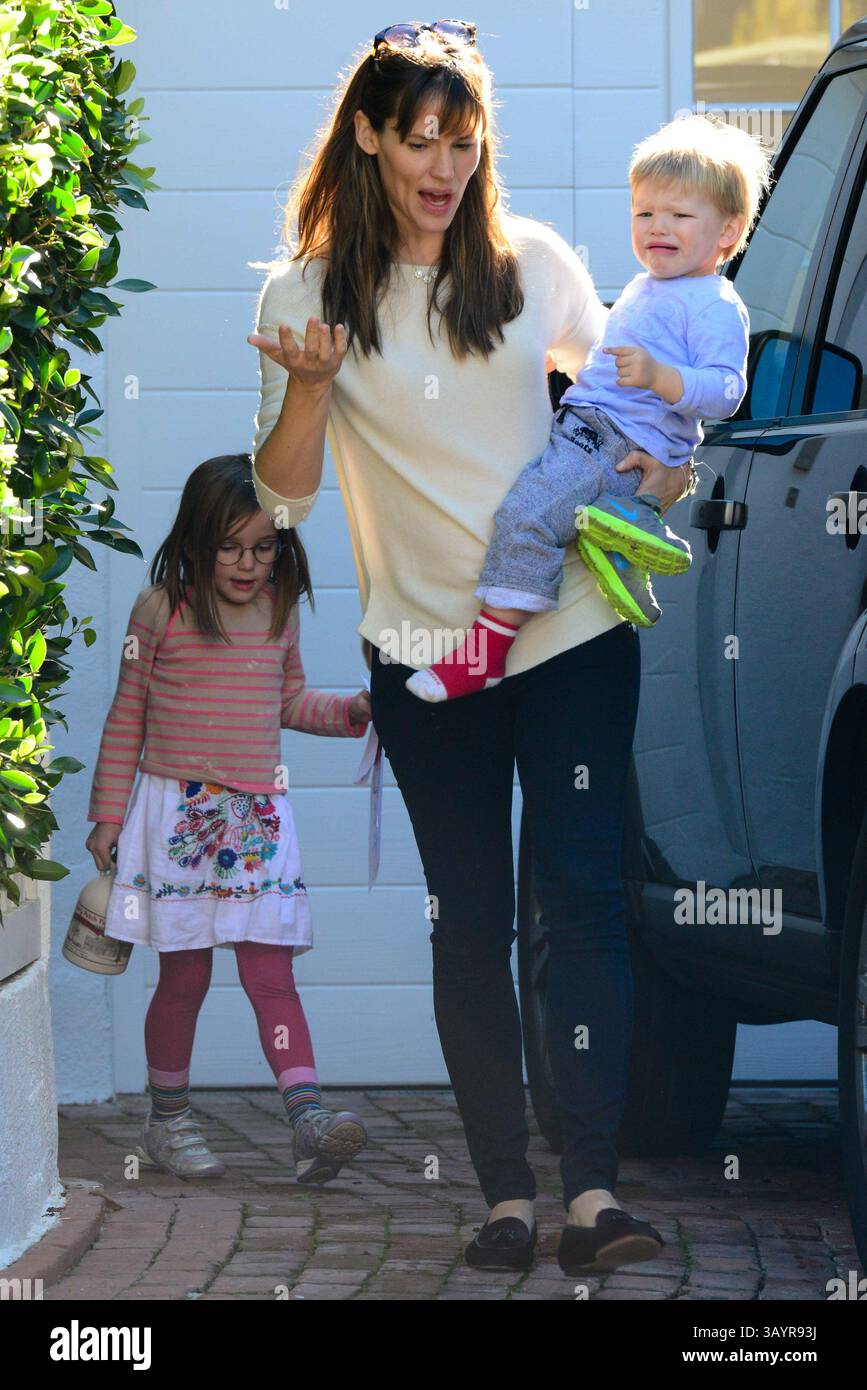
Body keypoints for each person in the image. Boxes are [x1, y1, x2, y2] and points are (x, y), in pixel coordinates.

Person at [247, 20, 692, 1275]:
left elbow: (615, 397)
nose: (445, 163)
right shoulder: (306, 294)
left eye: (464, 136)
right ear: (373, 137)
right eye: (420, 138)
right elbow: (282, 499)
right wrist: (314, 389)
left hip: (566, 635)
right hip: (428, 661)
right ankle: (506, 1194)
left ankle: (593, 1195)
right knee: (469, 922)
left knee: (586, 904)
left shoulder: (533, 264)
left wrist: (659, 455)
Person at [407, 112, 771, 703]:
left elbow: (728, 391)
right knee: (554, 507)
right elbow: (613, 352)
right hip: (596, 427)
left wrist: (662, 378)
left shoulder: (714, 303)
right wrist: (566, 360)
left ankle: (483, 655)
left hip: (614, 440)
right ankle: (623, 528)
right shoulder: (648, 285)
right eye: (644, 212)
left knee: (527, 513)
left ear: (727, 232)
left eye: (680, 215)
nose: (658, 227)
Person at [85, 454, 372, 1186]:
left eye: (264, 546)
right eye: (230, 546)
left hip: (257, 824)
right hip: (175, 819)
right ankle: (168, 1121)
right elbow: (127, 716)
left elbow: (288, 702)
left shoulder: (278, 608)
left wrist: (350, 714)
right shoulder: (160, 610)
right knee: (183, 976)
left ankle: (306, 1116)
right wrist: (107, 816)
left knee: (270, 973)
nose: (248, 564)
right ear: (195, 540)